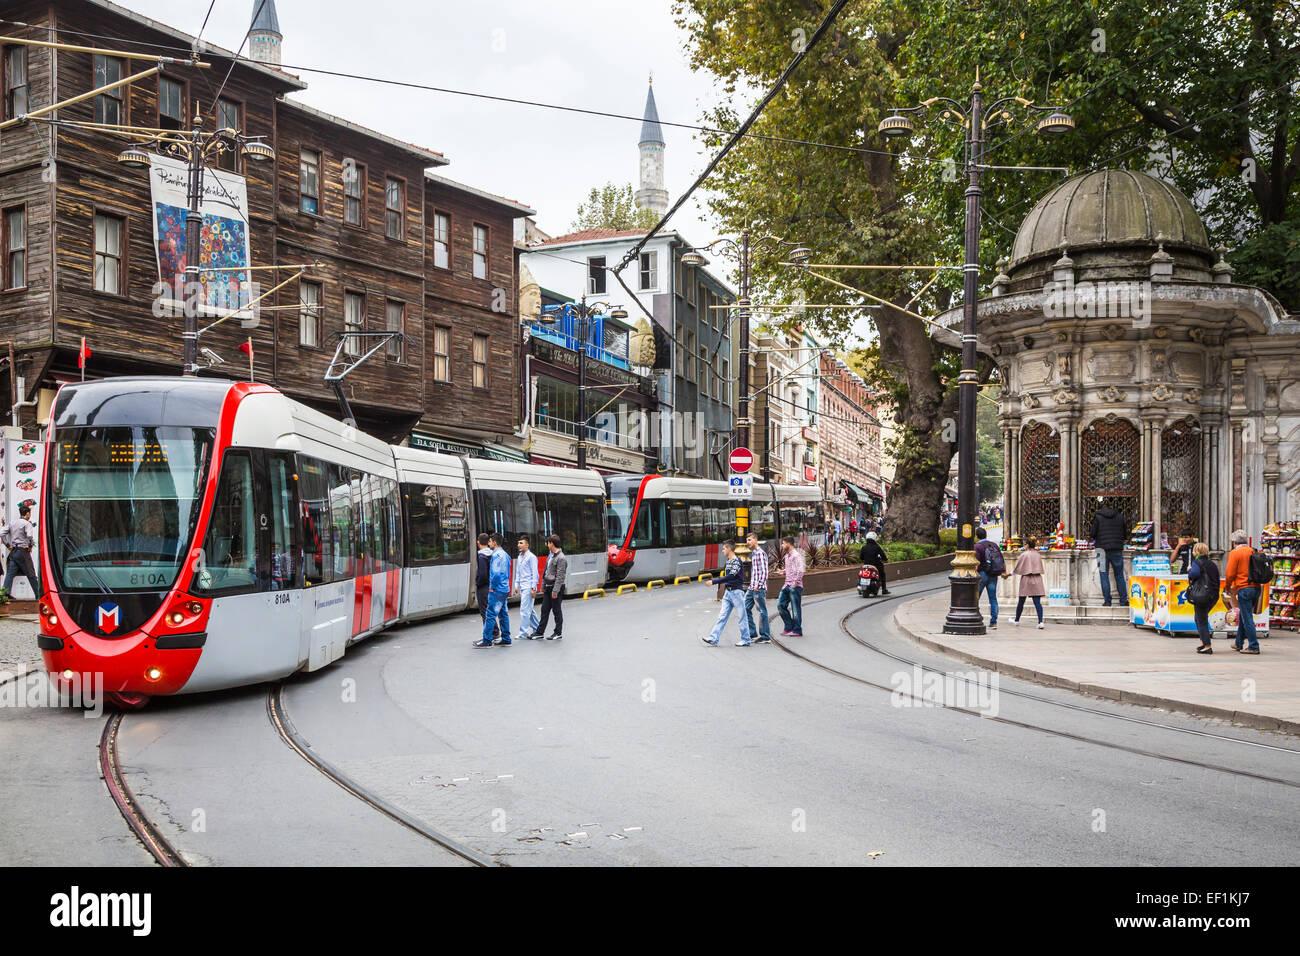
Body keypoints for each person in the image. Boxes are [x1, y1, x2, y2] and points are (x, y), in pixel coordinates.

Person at [702, 540, 751, 646]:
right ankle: (713, 638)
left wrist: (714, 581)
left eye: (724, 548)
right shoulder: (728, 561)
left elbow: (730, 576)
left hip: (736, 593)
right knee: (722, 616)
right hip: (728, 593)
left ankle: (746, 639)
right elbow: (727, 578)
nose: (722, 550)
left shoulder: (737, 561)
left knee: (741, 616)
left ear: (729, 549)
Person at [1222, 529, 1261, 654]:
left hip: (1244, 588)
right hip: (1256, 588)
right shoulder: (1253, 551)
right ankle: (1238, 643)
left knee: (1247, 617)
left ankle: (1254, 646)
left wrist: (1227, 587)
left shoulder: (1235, 553)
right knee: (1245, 616)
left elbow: (1230, 574)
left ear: (1234, 542)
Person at [474, 533, 512, 647]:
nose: (489, 543)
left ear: (494, 543)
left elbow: (495, 574)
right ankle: (506, 637)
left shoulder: (496, 555)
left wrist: (491, 587)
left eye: (490, 541)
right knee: (503, 614)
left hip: (497, 589)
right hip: (505, 587)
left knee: (490, 614)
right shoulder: (505, 554)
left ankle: (487, 640)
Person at [1089, 502, 1128, 606]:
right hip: (1116, 548)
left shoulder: (1098, 517)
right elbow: (1125, 534)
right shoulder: (1120, 516)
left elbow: (1092, 534)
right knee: (1119, 575)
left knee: (1103, 574)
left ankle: (1107, 601)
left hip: (1101, 549)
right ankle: (1123, 600)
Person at [1186, 541, 1220, 654]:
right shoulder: (1212, 564)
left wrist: (1189, 570)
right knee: (1199, 617)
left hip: (1202, 595)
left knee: (1201, 620)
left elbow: (1194, 574)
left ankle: (1207, 645)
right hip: (1213, 595)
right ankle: (1202, 641)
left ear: (1196, 552)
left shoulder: (1197, 562)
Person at [1, 503, 40, 598]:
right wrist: (30, 545)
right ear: (27, 514)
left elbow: (1, 533)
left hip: (13, 550)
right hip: (23, 551)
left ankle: (5, 593)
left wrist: (7, 545)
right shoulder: (27, 524)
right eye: (29, 514)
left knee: (10, 573)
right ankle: (39, 594)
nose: (29, 515)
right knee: (31, 573)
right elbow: (30, 536)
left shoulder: (12, 523)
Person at [532, 534, 567, 640]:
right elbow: (546, 573)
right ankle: (540, 632)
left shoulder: (561, 558)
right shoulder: (550, 556)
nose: (547, 545)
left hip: (556, 588)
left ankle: (558, 632)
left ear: (552, 543)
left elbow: (560, 577)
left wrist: (555, 591)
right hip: (548, 587)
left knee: (556, 610)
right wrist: (543, 586)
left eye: (548, 543)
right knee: (544, 610)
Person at [974, 526, 1008, 629]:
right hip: (993, 574)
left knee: (975, 598)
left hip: (982, 574)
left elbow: (976, 563)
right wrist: (1004, 572)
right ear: (986, 535)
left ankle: (975, 618)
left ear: (976, 536)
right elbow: (1002, 560)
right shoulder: (994, 545)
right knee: (993, 598)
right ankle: (994, 622)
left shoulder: (977, 546)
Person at [743, 532, 771, 645]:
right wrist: (752, 586)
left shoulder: (760, 553)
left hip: (758, 588)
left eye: (749, 540)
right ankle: (752, 633)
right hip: (752, 587)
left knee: (762, 611)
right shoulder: (754, 553)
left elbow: (764, 572)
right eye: (747, 540)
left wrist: (758, 586)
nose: (747, 542)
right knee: (745, 608)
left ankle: (765, 636)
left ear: (755, 540)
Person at [1012, 535, 1046, 628]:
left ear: (1027, 545)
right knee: (1037, 602)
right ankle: (1040, 622)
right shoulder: (1038, 554)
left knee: (1021, 601)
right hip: (1037, 578)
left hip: (1026, 578)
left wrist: (1010, 574)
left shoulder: (1024, 554)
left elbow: (1018, 568)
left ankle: (1016, 620)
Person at [777, 536, 804, 637]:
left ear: (788, 544)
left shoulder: (796, 555)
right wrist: (783, 572)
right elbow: (791, 569)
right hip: (786, 585)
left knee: (795, 609)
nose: (782, 545)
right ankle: (789, 626)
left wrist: (795, 584)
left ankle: (797, 630)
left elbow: (800, 571)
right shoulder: (787, 556)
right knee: (780, 605)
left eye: (783, 543)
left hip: (794, 587)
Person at [513, 535, 538, 639]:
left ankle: (523, 632)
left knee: (524, 610)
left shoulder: (531, 557)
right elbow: (518, 572)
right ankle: (538, 628)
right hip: (522, 586)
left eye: (521, 543)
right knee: (529, 610)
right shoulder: (520, 557)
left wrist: (533, 588)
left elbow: (535, 573)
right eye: (518, 543)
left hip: (528, 586)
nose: (519, 545)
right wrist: (516, 585)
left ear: (527, 545)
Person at [474, 533, 496, 636]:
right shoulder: (492, 553)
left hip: (483, 587)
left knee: (484, 611)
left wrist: (477, 582)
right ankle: (494, 631)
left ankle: (490, 634)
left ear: (478, 542)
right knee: (489, 610)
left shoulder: (481, 556)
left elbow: (482, 574)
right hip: (490, 585)